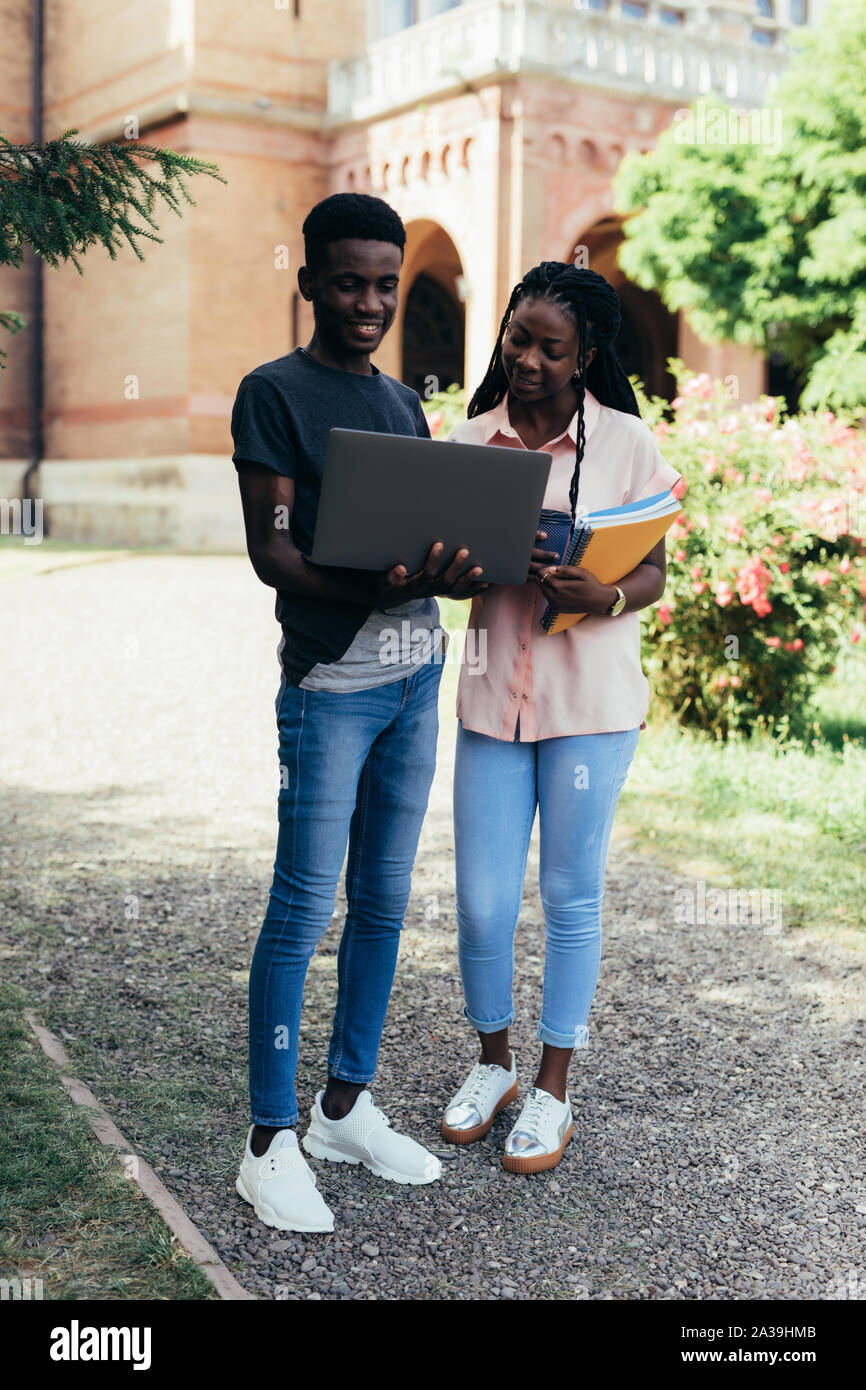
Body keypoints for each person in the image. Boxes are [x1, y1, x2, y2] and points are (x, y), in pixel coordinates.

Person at [230, 193, 485, 1232]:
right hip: (330, 687)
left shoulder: (402, 404)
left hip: (414, 674)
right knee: (302, 909)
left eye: (385, 281)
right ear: (308, 284)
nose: (370, 300)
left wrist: (455, 569)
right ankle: (269, 1136)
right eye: (347, 280)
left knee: (381, 901)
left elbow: (422, 540)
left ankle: (343, 1105)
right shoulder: (272, 393)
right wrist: (371, 586)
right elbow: (272, 553)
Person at [441, 262, 682, 1173]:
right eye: (519, 342)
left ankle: (552, 1090)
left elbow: (654, 572)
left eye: (551, 348)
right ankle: (493, 1066)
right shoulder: (467, 444)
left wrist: (606, 591)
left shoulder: (627, 445)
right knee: (481, 903)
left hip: (591, 707)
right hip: (491, 699)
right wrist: (453, 568)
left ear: (585, 357)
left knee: (570, 900)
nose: (531, 361)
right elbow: (430, 561)